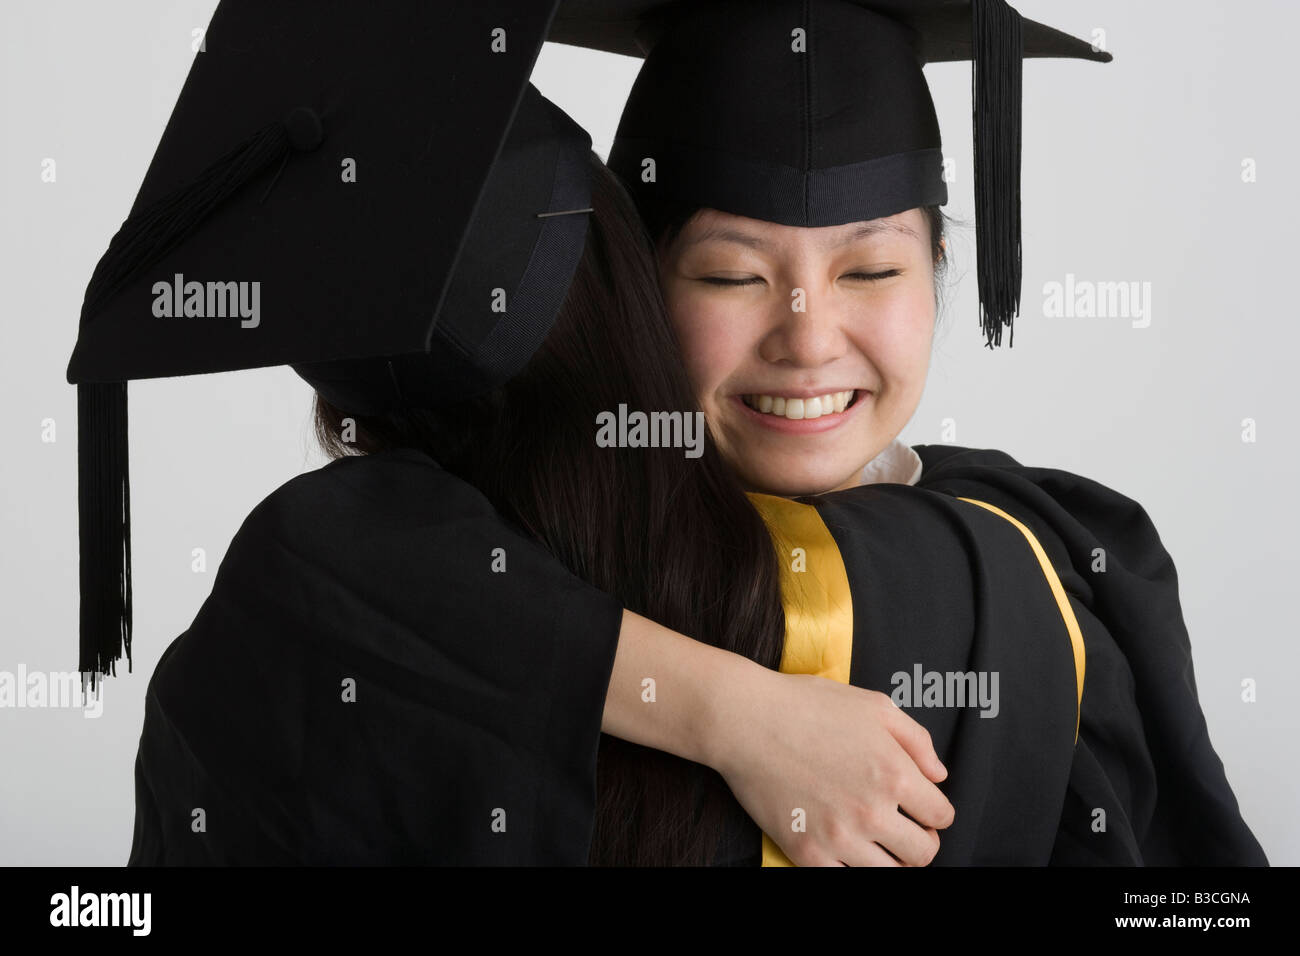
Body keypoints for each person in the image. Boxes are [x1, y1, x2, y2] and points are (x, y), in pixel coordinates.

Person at [569, 0, 1266, 864]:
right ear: (635, 288)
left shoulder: (1042, 558)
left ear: (937, 273)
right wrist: (728, 714)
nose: (810, 339)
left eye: (870, 269)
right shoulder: (535, 533)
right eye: (732, 275)